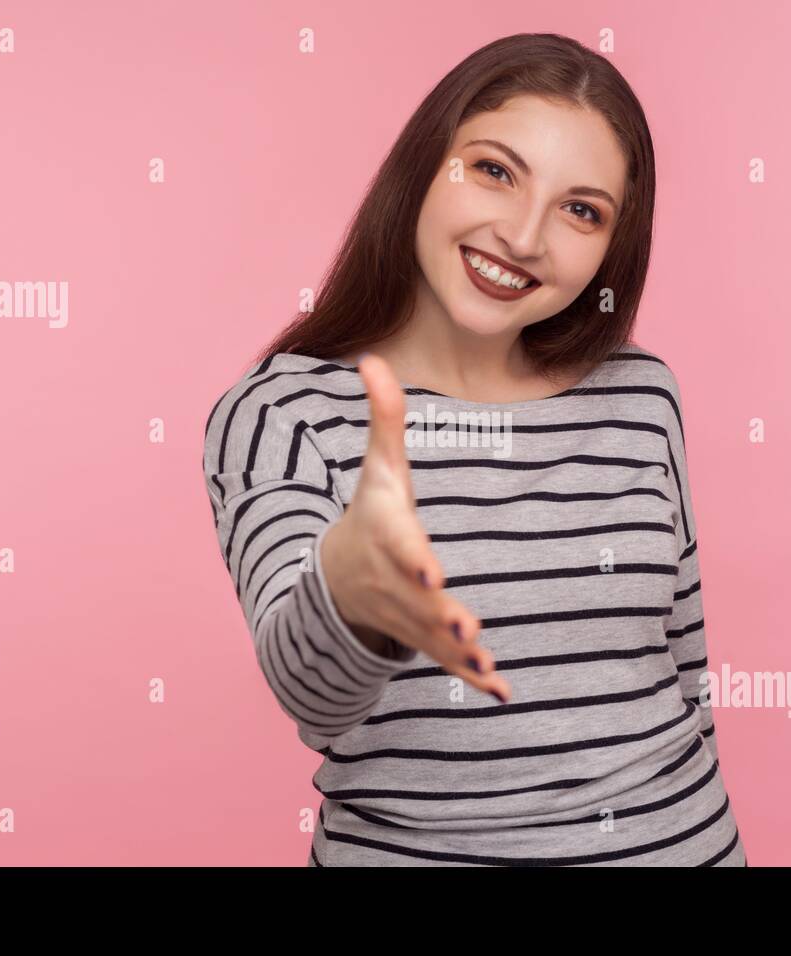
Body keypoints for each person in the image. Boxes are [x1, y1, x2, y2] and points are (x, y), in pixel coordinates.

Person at [203, 33, 747, 866]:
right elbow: (313, 698)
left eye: (581, 210)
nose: (525, 236)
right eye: (494, 169)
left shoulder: (641, 392)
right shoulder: (285, 412)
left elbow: (684, 668)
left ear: (612, 247)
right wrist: (351, 586)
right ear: (427, 164)